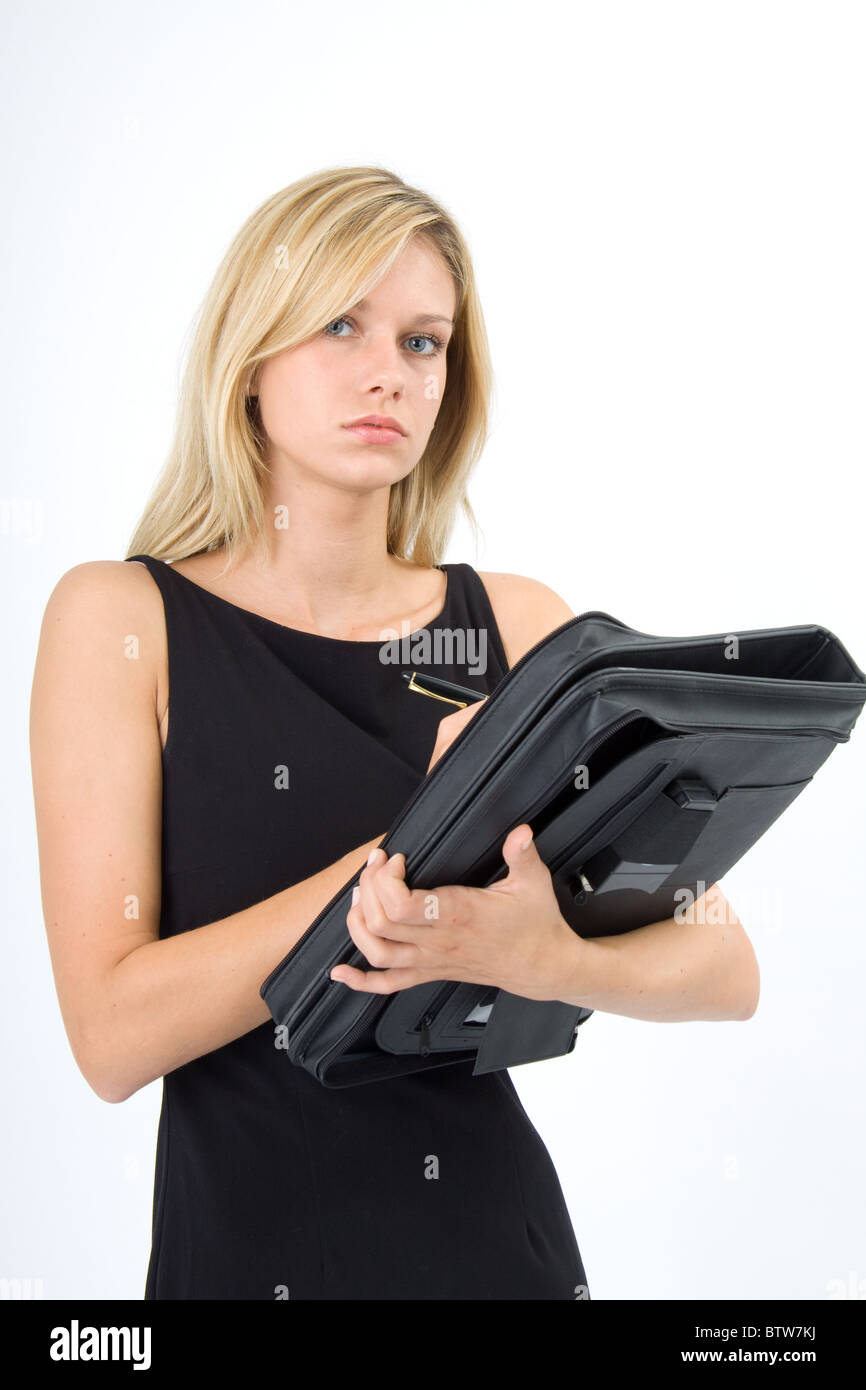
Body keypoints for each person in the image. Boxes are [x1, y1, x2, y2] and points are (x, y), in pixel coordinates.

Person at [29, 165, 760, 1300]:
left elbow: (722, 958)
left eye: (425, 343)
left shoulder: (515, 626)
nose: (388, 373)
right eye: (339, 325)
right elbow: (111, 1035)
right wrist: (409, 847)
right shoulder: (122, 621)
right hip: (242, 1263)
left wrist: (545, 956)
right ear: (248, 357)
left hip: (497, 1256)